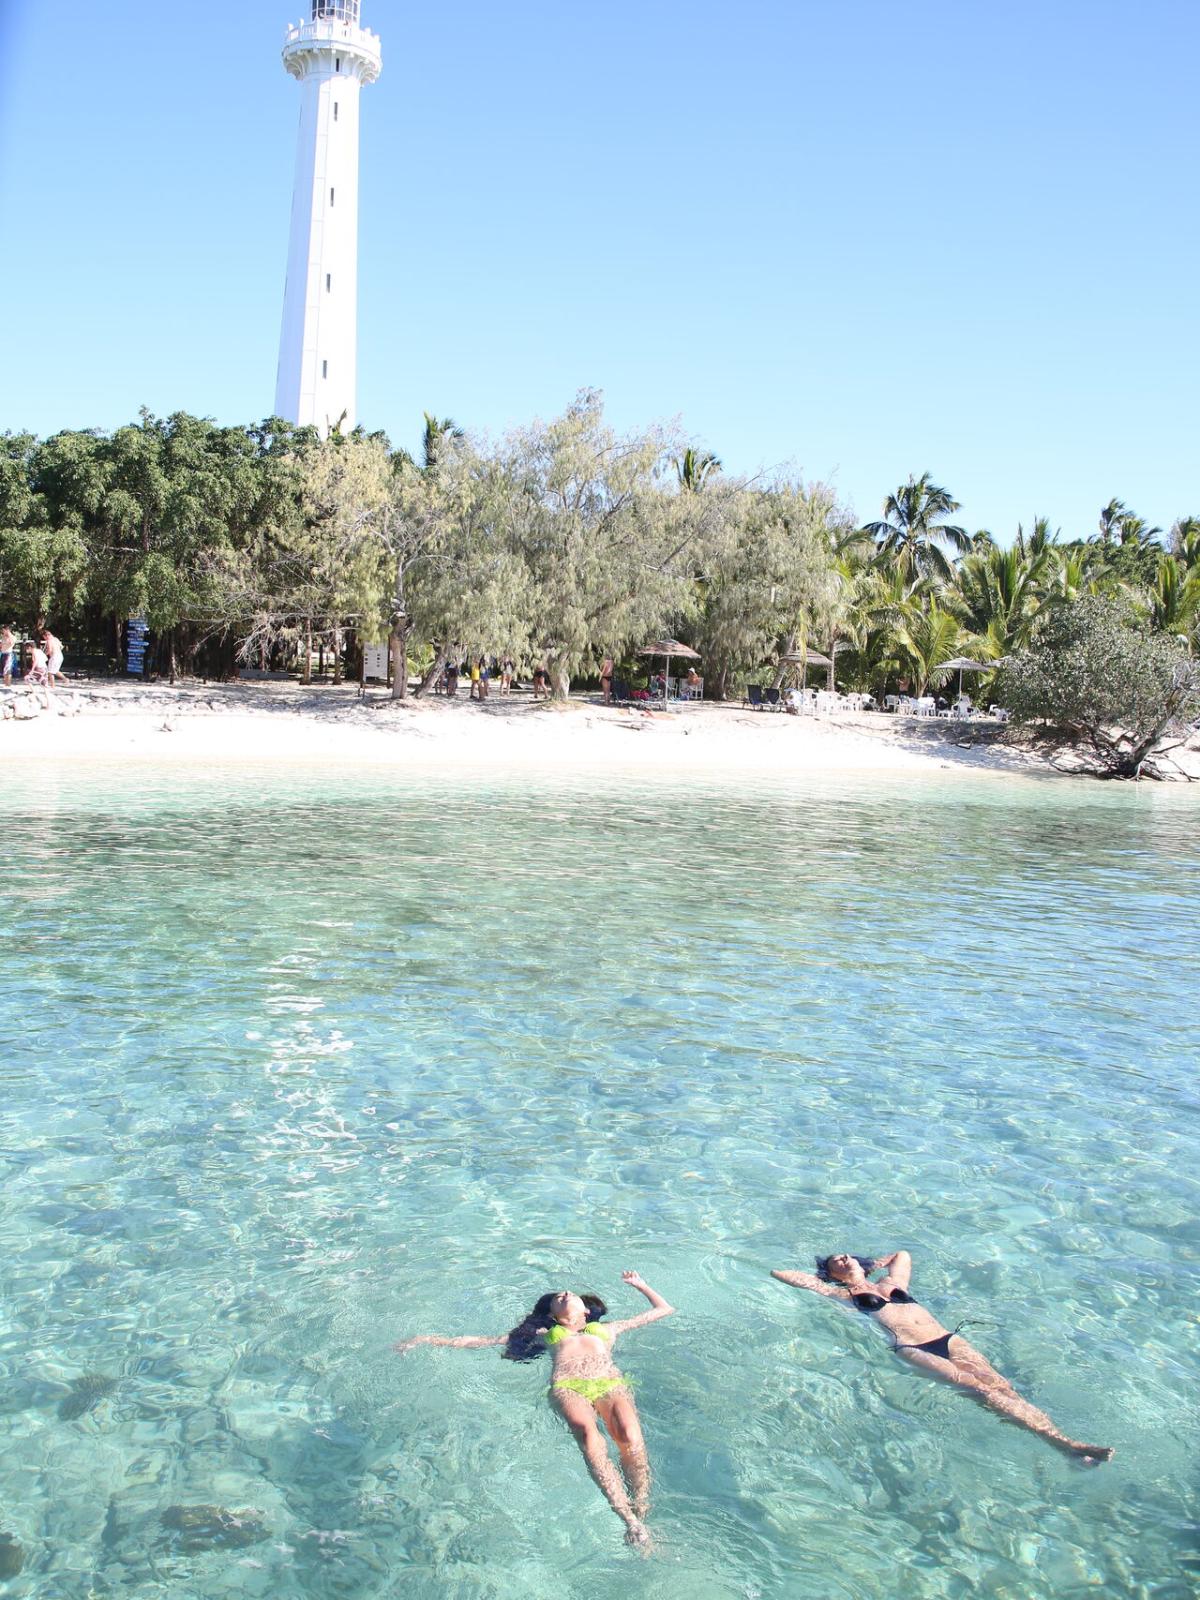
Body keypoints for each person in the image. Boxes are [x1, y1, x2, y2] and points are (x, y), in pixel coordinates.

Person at [395, 1270, 674, 1546]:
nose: (564, 1294)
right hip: (569, 1387)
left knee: (629, 1435)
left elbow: (663, 1309)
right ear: (553, 1315)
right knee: (589, 1438)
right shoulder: (545, 1333)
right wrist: (426, 1340)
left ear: (586, 1311)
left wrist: (641, 1285)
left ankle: (641, 1506)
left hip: (609, 1383)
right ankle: (629, 1520)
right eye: (557, 1298)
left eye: (570, 1294)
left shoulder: (609, 1328)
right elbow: (481, 1341)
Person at [772, 1251, 1112, 1464]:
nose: (844, 1259)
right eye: (837, 1261)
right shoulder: (842, 1295)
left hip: (947, 1339)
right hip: (912, 1348)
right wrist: (829, 1278)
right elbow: (784, 1274)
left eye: (846, 1255)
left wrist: (868, 1264)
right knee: (984, 1392)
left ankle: (1063, 1445)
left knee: (1003, 1388)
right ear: (831, 1273)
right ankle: (1065, 1444)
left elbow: (902, 1255)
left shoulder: (891, 1283)